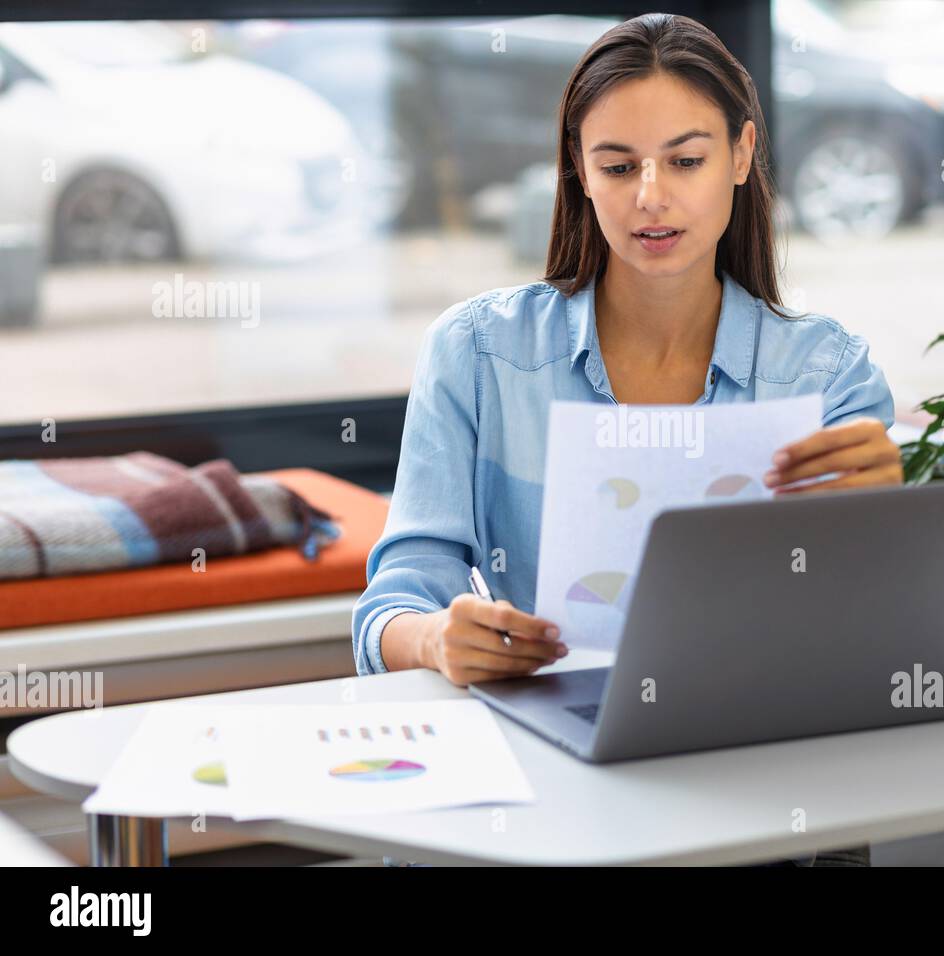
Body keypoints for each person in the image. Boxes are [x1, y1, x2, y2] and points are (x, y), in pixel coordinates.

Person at [353, 12, 902, 867]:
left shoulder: (827, 374)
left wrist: (883, 537)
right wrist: (436, 640)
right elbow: (391, 604)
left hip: (757, 784)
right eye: (618, 165)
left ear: (742, 155)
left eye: (686, 160)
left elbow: (875, 646)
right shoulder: (478, 353)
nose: (652, 195)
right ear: (578, 169)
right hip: (547, 781)